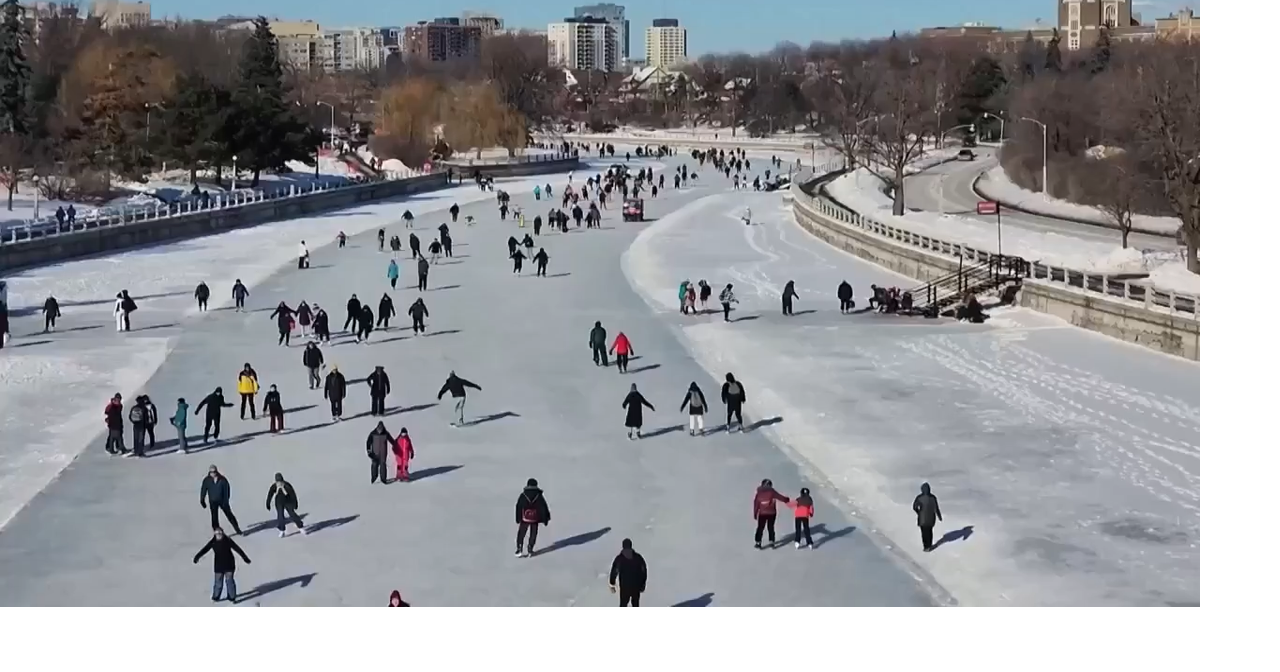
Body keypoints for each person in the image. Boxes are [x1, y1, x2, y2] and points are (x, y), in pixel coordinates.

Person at [193, 527, 250, 603]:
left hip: (229, 565)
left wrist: (245, 558)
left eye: (220, 533)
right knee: (218, 583)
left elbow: (237, 548)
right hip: (218, 566)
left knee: (229, 581)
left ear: (223, 533)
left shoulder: (227, 540)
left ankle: (232, 597)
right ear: (215, 535)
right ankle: (216, 597)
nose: (219, 535)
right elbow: (205, 549)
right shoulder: (213, 542)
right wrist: (197, 556)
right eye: (217, 534)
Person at [200, 465, 243, 534]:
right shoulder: (207, 480)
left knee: (229, 515)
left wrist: (226, 500)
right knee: (214, 518)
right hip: (213, 501)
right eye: (211, 472)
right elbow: (203, 490)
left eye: (214, 472)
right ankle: (217, 533)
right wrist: (202, 500)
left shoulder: (222, 479)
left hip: (222, 501)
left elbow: (227, 490)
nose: (213, 473)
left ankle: (238, 529)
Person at [515, 478, 550, 558]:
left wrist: (518, 518)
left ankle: (519, 548)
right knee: (533, 533)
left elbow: (519, 506)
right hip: (535, 518)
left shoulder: (523, 495)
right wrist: (545, 518)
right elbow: (543, 507)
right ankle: (530, 548)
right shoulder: (538, 495)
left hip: (525, 518)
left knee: (521, 533)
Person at [608, 539, 648, 607]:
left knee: (623, 604)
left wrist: (612, 583)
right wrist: (643, 583)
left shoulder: (619, 559)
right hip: (636, 586)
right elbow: (643, 571)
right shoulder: (638, 557)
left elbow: (614, 571)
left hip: (624, 587)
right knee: (635, 604)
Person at [753, 479, 790, 549]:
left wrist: (755, 513)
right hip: (772, 513)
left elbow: (756, 504)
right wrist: (786, 499)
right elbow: (780, 497)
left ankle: (758, 542)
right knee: (771, 527)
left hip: (762, 513)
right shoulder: (772, 492)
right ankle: (771, 541)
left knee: (760, 527)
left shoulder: (759, 493)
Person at [265, 473, 306, 537]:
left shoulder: (287, 485)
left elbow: (293, 495)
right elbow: (270, 495)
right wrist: (268, 503)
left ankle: (300, 526)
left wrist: (295, 504)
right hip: (279, 502)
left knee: (292, 514)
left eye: (280, 481)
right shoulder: (274, 486)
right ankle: (282, 530)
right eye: (278, 482)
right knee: (280, 516)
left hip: (288, 501)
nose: (279, 483)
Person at [913, 483, 943, 552]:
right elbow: (936, 508)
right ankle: (929, 545)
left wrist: (919, 512)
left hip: (922, 518)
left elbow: (914, 507)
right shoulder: (933, 497)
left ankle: (925, 546)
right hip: (931, 518)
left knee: (924, 533)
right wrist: (939, 516)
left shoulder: (919, 497)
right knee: (929, 532)